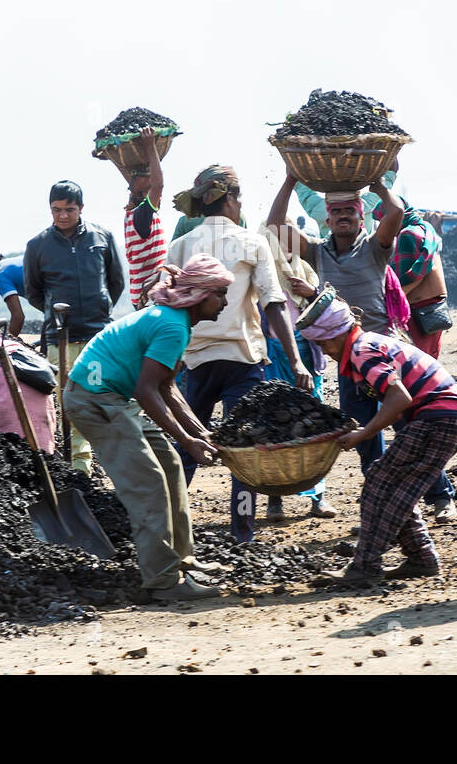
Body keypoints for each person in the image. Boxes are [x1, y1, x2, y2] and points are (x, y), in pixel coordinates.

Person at [268, 173, 457, 522]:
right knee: (364, 432)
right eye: (336, 211)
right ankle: (382, 496)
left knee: (408, 428)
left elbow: (395, 215)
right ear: (328, 218)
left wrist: (379, 185)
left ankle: (441, 496)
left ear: (360, 216)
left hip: (383, 351)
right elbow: (275, 226)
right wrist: (290, 179)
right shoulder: (316, 252)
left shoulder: (374, 247)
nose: (343, 216)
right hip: (347, 360)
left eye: (349, 211)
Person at [63, 254, 233, 601]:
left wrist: (201, 433)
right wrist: (187, 440)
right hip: (95, 400)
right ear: (200, 295)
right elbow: (147, 390)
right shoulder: (172, 325)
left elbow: (167, 386)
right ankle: (162, 582)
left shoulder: (175, 321)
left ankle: (183, 558)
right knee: (148, 483)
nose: (225, 301)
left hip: (116, 397)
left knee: (170, 467)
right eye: (220, 293)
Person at [165, 166, 314, 543]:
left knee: (186, 448)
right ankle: (242, 534)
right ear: (230, 198)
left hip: (195, 361)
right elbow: (273, 303)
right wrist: (296, 361)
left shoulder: (181, 245)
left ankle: (170, 532)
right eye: (239, 197)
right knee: (244, 455)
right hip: (242, 361)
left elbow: (169, 304)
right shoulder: (252, 241)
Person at [297, 290, 457, 585]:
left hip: (439, 418)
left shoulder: (361, 351)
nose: (325, 350)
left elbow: (399, 398)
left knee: (381, 481)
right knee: (398, 487)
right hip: (443, 417)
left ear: (340, 333)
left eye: (324, 343)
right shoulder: (367, 345)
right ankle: (421, 558)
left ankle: (365, 566)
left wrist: (362, 435)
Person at [24, 180, 125, 474]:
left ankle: (115, 462)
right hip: (60, 340)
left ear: (81, 208)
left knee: (106, 397)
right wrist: (55, 314)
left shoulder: (101, 236)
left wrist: (100, 307)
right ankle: (80, 467)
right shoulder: (38, 245)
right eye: (56, 210)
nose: (63, 216)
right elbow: (34, 292)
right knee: (71, 402)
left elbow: (115, 281)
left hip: (100, 335)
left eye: (69, 209)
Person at [258, 222, 335, 520]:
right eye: (280, 239)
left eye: (292, 237)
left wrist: (312, 291)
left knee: (313, 422)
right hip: (272, 353)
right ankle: (274, 501)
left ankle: (317, 497)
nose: (288, 244)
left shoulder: (307, 269)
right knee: (271, 423)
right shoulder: (262, 272)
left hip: (307, 350)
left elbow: (330, 305)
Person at [374, 200, 451, 359]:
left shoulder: (408, 234)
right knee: (428, 360)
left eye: (382, 220)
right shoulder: (424, 227)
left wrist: (391, 301)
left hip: (419, 311)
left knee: (415, 363)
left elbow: (412, 276)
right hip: (433, 308)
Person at [122, 126, 168, 308]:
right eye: (150, 191)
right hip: (147, 296)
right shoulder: (141, 215)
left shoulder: (135, 212)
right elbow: (158, 186)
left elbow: (136, 183)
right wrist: (150, 146)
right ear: (143, 195)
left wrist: (112, 157)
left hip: (143, 293)